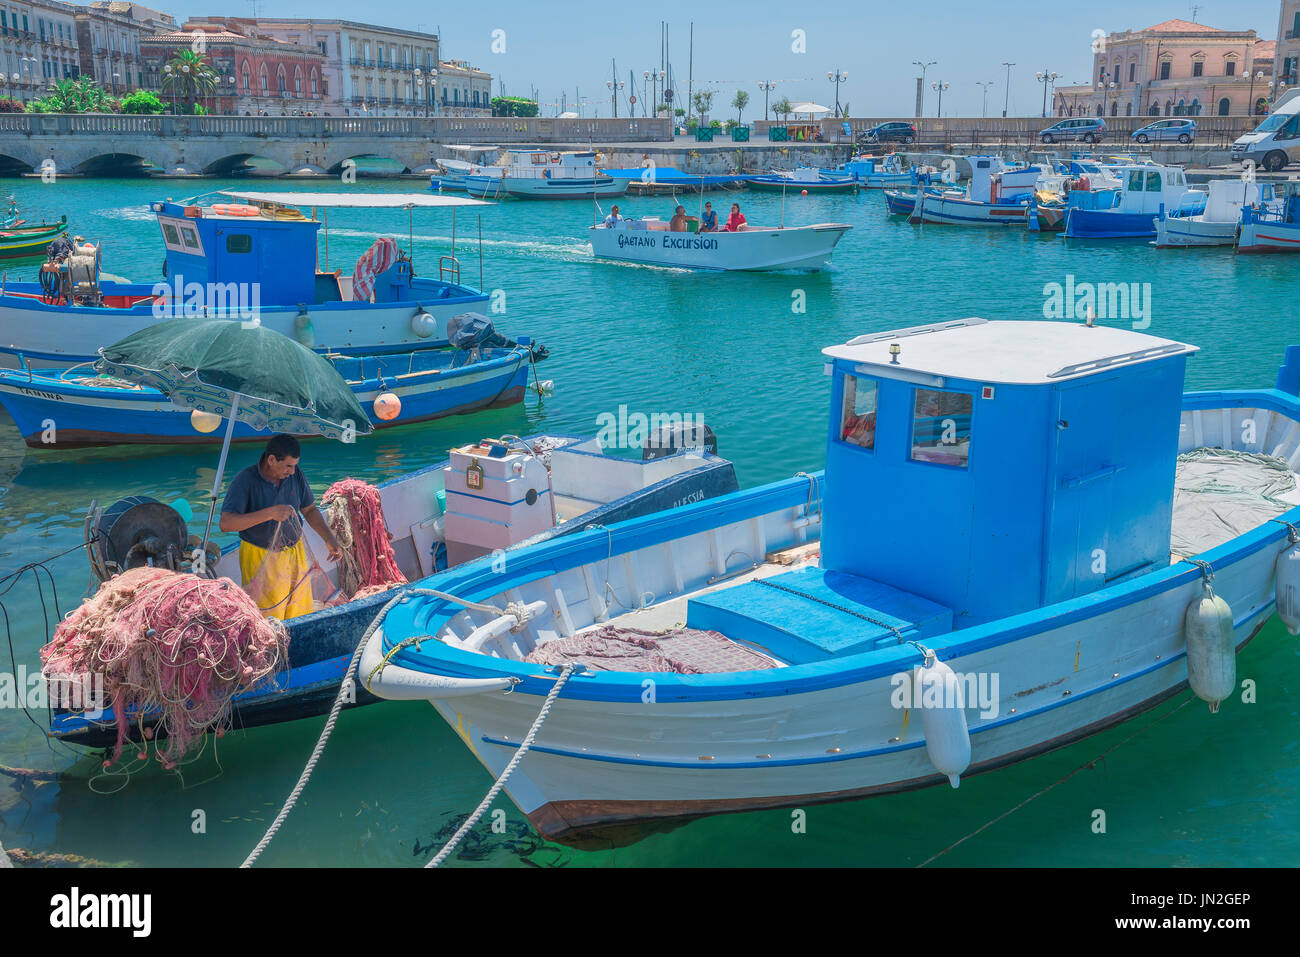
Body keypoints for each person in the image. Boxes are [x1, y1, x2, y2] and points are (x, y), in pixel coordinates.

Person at [219, 434, 342, 620]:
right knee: (269, 615)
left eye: (294, 466)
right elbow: (226, 523)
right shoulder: (245, 480)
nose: (292, 471)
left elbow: (309, 509)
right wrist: (269, 513)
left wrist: (329, 538)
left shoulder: (295, 474)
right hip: (260, 556)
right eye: (288, 466)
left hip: (295, 552)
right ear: (271, 460)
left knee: (300, 609)